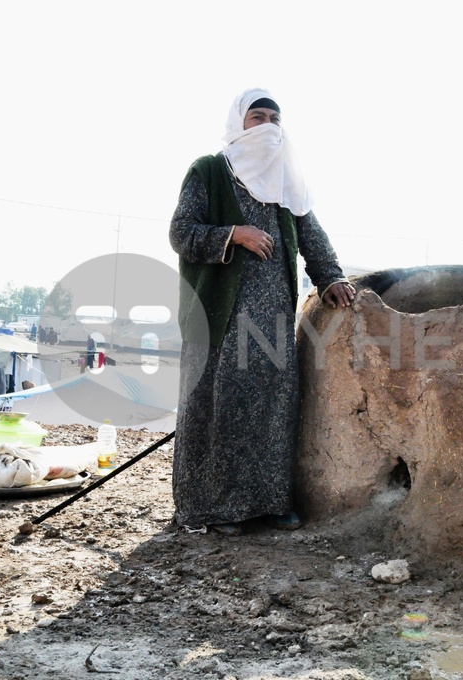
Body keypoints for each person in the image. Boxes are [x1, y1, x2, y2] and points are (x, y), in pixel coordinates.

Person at [169, 87, 355, 537]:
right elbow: (181, 232)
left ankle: (269, 503)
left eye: (275, 117)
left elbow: (311, 232)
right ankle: (215, 508)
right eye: (258, 116)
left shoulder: (286, 178)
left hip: (271, 315)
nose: (268, 125)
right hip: (218, 315)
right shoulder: (211, 171)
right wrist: (234, 233)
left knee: (273, 406)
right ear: (238, 123)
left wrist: (330, 276)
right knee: (220, 406)